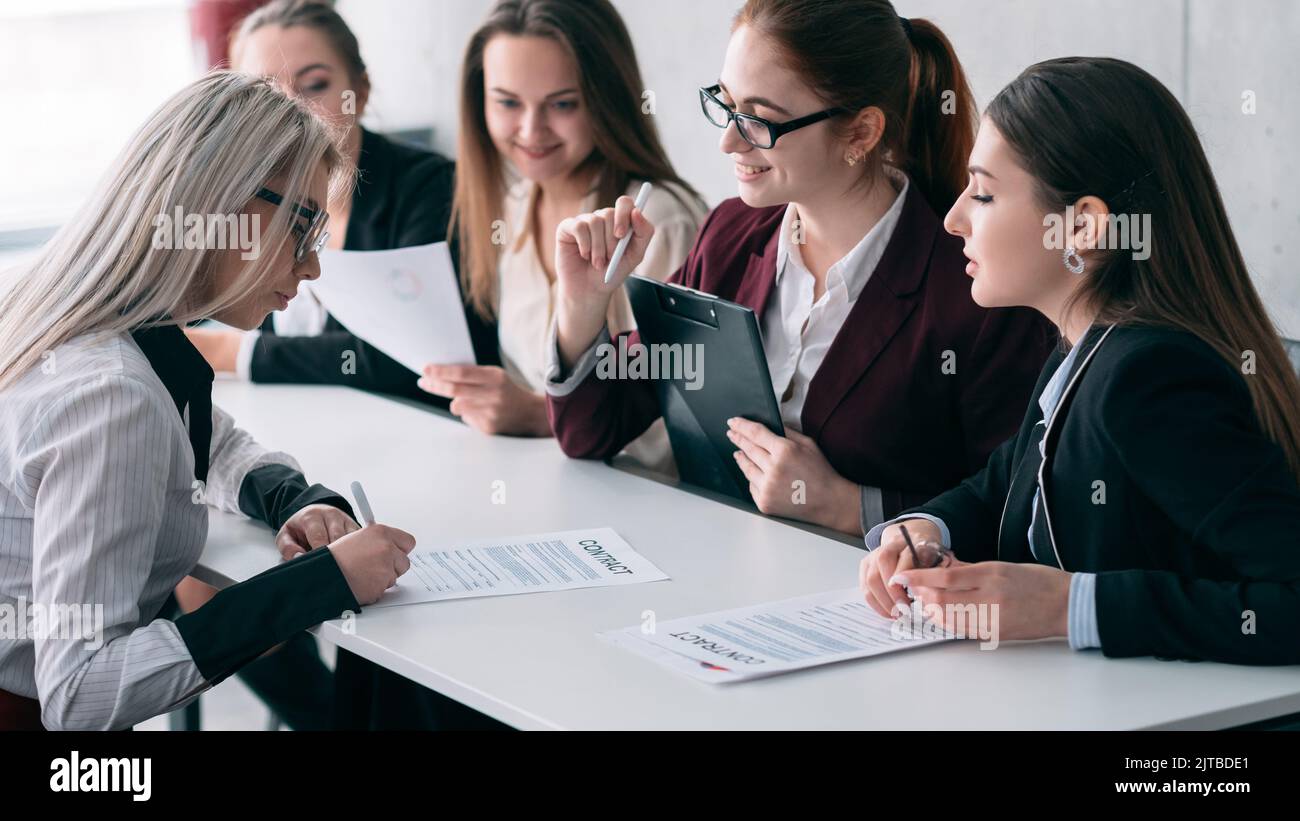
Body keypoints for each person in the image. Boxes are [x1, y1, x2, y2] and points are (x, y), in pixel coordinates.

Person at [0, 72, 416, 730]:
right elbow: (80, 695)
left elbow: (209, 440)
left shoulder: (78, 318)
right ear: (216, 203)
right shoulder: (111, 396)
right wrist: (317, 585)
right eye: (302, 226)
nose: (312, 267)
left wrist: (292, 498)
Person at [547, 0, 1054, 535]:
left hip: (864, 588)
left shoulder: (974, 290)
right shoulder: (729, 235)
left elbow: (1014, 518)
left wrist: (847, 506)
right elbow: (591, 432)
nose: (727, 141)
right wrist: (583, 303)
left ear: (861, 133)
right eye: (726, 104)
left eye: (759, 119)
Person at [860, 57, 1300, 665]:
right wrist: (925, 530)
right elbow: (1004, 483)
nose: (954, 219)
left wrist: (1069, 606)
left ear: (1083, 228)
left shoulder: (1151, 378)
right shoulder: (1083, 348)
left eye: (984, 194)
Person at [417, 0, 707, 468]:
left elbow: (685, 425)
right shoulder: (511, 208)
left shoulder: (660, 222)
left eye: (563, 104)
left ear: (606, 99)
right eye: (507, 102)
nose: (531, 130)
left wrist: (541, 415)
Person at [186, 0, 498, 403]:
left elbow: (411, 358)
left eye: (315, 85)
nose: (291, 111)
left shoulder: (431, 188)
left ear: (360, 92)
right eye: (266, 93)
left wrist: (227, 351)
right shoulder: (246, 197)